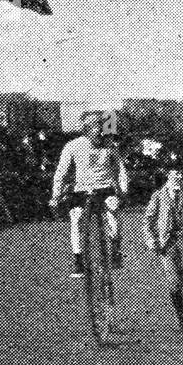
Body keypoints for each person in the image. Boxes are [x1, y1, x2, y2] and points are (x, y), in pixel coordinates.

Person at [50, 111, 129, 278]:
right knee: (76, 218)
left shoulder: (110, 147)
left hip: (105, 188)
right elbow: (61, 173)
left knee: (112, 209)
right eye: (95, 129)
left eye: (101, 129)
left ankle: (115, 250)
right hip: (81, 190)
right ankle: (78, 261)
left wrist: (123, 191)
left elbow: (121, 170)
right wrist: (56, 196)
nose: (100, 134)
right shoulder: (72, 146)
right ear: (86, 130)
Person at [144, 168, 183, 332]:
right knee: (174, 284)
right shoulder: (158, 196)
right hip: (167, 244)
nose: (177, 177)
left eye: (180, 174)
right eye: (173, 174)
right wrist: (151, 238)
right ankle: (181, 317)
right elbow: (148, 219)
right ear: (167, 177)